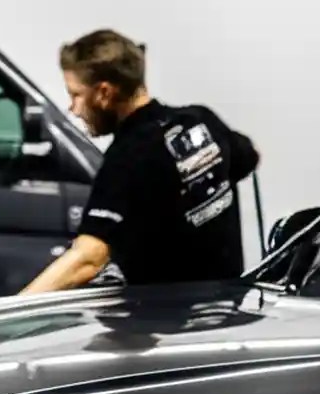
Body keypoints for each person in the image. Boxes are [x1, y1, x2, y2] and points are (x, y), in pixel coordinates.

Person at [21, 29, 261, 295]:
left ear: (104, 93)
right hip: (228, 312)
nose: (73, 109)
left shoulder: (129, 157)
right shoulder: (200, 121)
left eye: (76, 95)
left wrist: (13, 313)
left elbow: (88, 259)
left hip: (166, 325)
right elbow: (250, 156)